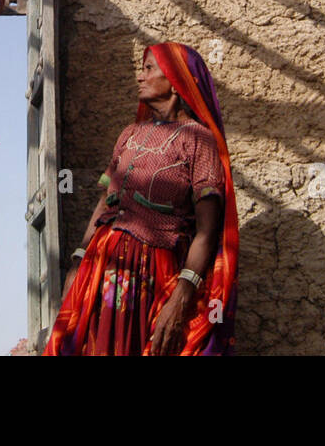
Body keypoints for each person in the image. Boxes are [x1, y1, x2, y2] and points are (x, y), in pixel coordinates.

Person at [44, 41, 239, 356]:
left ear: (175, 81)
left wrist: (182, 296)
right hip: (100, 268)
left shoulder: (198, 140)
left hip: (151, 274)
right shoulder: (129, 135)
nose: (140, 76)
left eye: (149, 69)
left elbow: (208, 231)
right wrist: (77, 263)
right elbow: (104, 203)